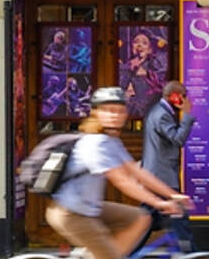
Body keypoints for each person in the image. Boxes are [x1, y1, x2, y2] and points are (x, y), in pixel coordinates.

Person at [46, 86, 193, 259]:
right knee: (111, 255)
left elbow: (138, 173)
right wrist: (159, 203)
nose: (114, 116)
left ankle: (99, 255)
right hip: (70, 213)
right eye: (108, 111)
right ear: (95, 113)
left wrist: (172, 195)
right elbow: (123, 182)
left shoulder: (112, 141)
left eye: (119, 111)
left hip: (91, 208)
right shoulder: (95, 144)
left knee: (142, 217)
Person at [142, 81, 196, 249]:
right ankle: (188, 251)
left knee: (149, 219)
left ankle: (187, 250)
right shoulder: (162, 115)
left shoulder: (161, 111)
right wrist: (186, 115)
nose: (187, 100)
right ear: (175, 96)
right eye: (184, 96)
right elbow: (177, 139)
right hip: (161, 174)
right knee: (175, 213)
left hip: (158, 173)